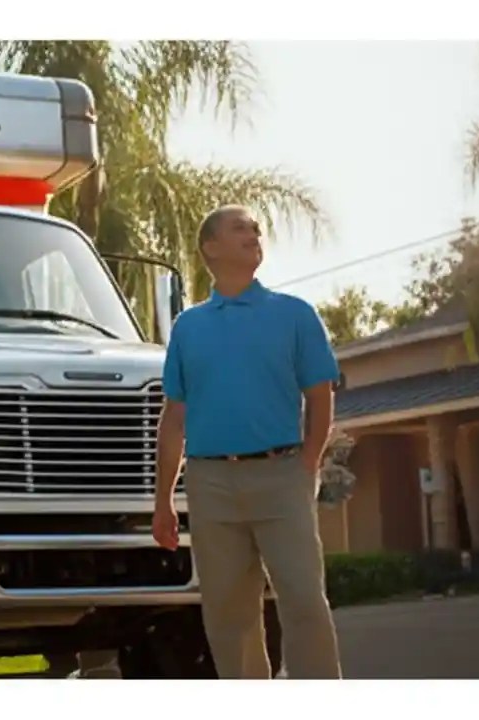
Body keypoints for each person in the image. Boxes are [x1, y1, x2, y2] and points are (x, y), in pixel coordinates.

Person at [152, 204, 343, 679]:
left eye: (255, 229)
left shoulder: (295, 315)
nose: (253, 233)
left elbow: (320, 398)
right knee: (228, 615)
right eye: (240, 228)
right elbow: (174, 418)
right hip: (210, 482)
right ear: (210, 248)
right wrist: (162, 502)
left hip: (282, 476)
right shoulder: (188, 327)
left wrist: (309, 464)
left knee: (303, 600)